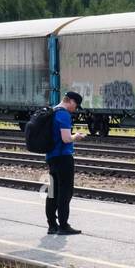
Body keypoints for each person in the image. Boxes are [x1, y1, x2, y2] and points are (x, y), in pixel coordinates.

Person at [45, 91, 86, 235]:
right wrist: (77, 136)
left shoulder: (52, 110)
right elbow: (66, 138)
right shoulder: (63, 114)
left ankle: (52, 225)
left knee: (52, 191)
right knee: (65, 191)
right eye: (76, 105)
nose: (75, 109)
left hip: (51, 157)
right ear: (71, 101)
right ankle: (63, 225)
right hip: (63, 157)